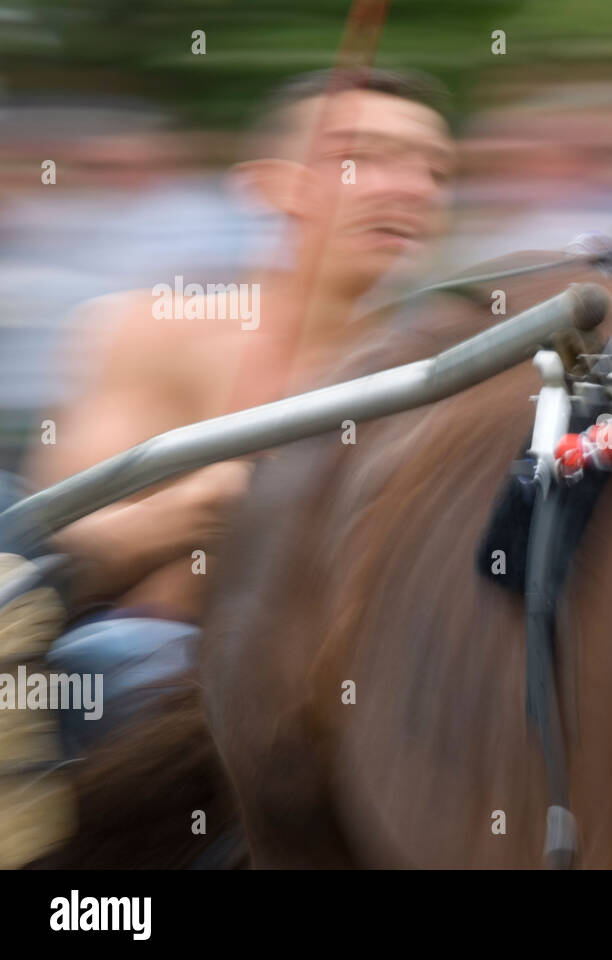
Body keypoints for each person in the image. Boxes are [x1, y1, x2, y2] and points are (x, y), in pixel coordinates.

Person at [20, 68, 454, 743]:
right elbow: (55, 560)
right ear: (269, 186)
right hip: (151, 691)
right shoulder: (148, 332)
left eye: (436, 171)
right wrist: (220, 501)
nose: (412, 187)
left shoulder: (447, 372)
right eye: (359, 159)